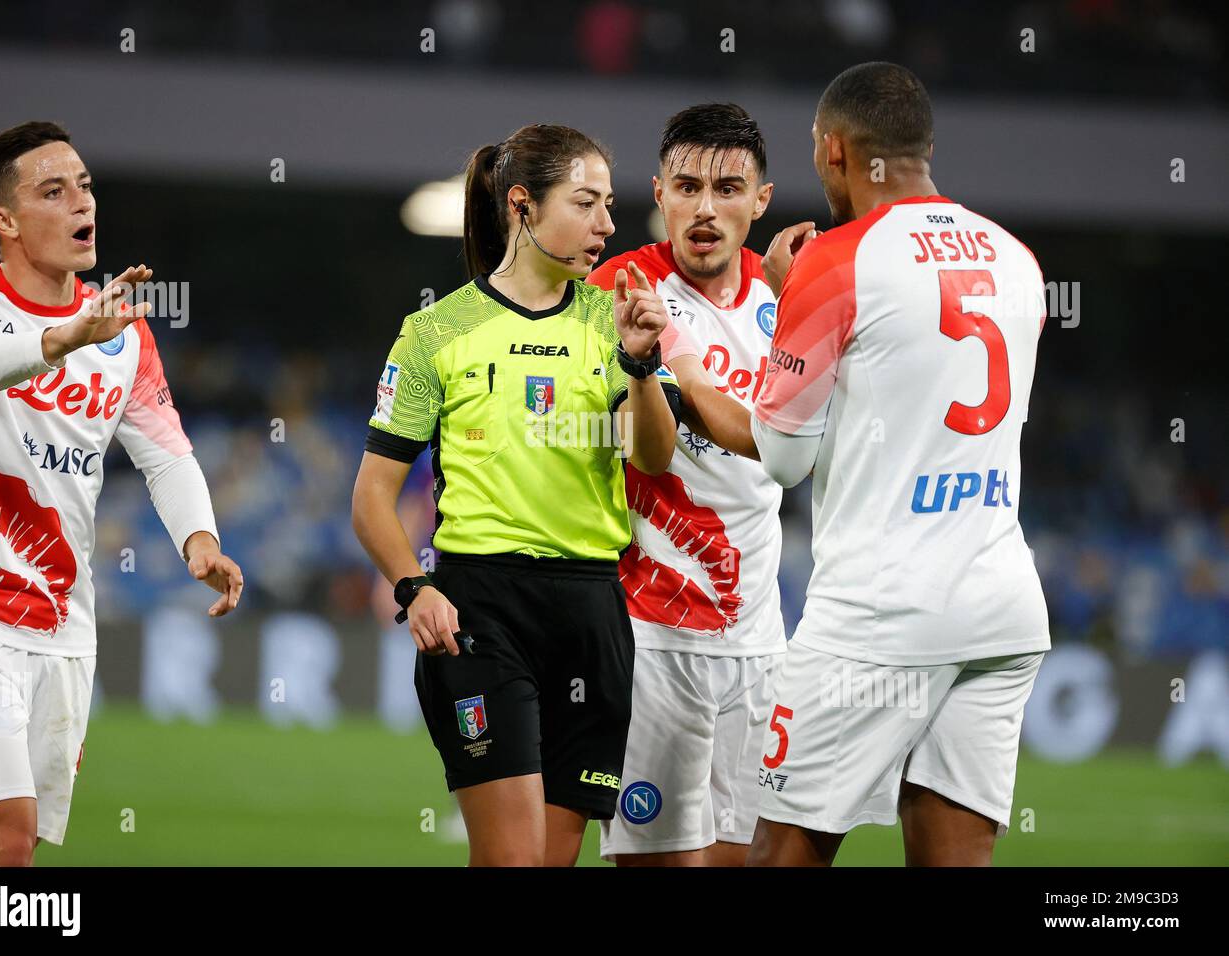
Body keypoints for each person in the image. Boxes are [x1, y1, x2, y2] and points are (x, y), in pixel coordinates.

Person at [352, 124, 688, 867]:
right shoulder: (435, 332)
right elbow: (372, 496)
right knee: (512, 859)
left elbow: (655, 458)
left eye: (609, 205)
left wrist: (640, 364)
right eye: (585, 202)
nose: (606, 224)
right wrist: (415, 587)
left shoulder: (616, 319)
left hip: (592, 611)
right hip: (479, 611)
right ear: (522, 206)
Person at [746, 63, 1051, 866]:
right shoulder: (1018, 260)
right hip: (1001, 607)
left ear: (834, 150)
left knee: (781, 851)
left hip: (881, 612)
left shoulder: (836, 261)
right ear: (925, 148)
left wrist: (789, 307)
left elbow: (783, 460)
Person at [0, 121, 243, 866]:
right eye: (54, 191)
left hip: (62, 624)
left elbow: (165, 453)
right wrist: (61, 338)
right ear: (2, 220)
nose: (82, 203)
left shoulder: (123, 334)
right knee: (4, 836)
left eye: (86, 185)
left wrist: (200, 540)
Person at [587, 104, 813, 866]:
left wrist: (797, 309)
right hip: (651, 633)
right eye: (686, 186)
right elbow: (684, 430)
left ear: (762, 199)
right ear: (659, 192)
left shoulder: (785, 296)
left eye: (728, 188)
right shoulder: (625, 286)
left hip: (758, 640)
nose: (705, 207)